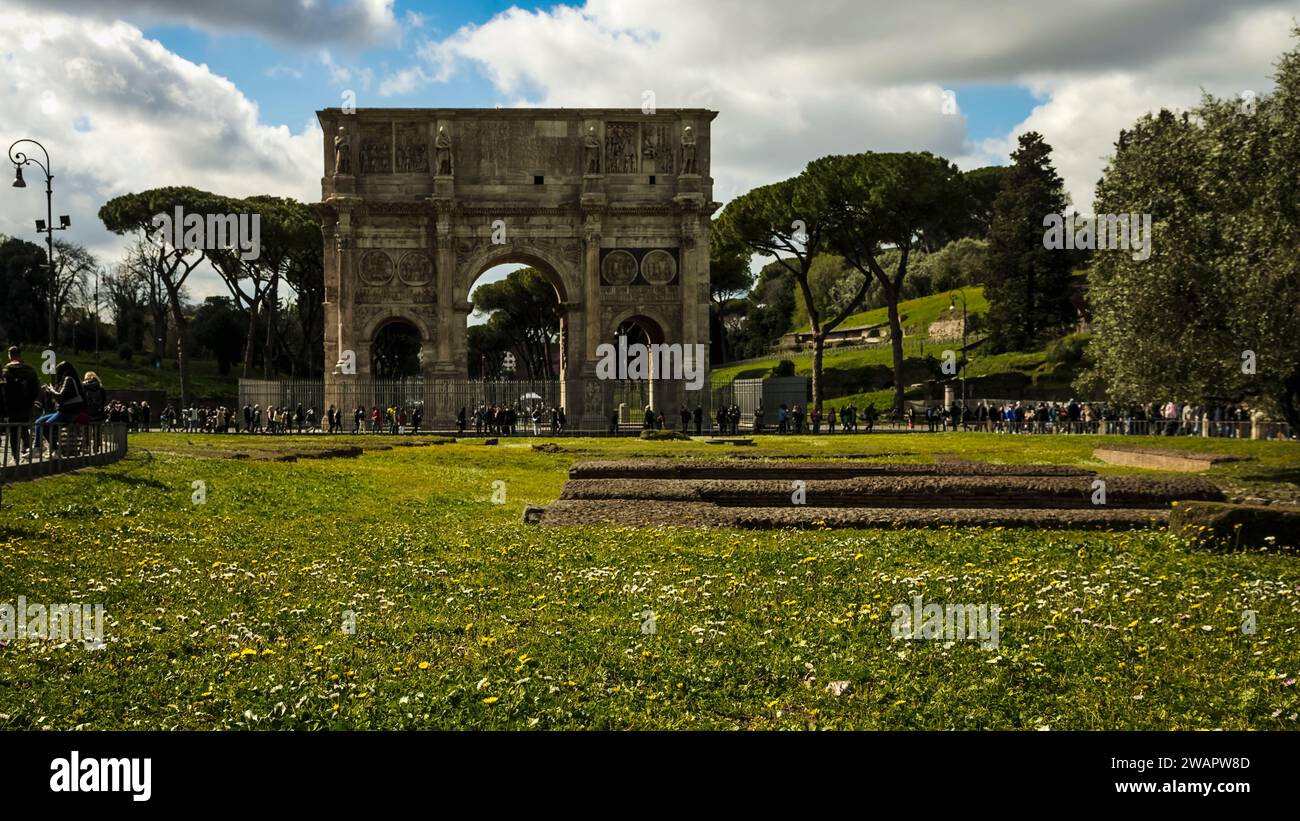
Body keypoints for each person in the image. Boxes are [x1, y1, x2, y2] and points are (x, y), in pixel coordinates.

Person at [33, 361, 86, 456]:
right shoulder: (74, 380)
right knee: (39, 421)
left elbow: (61, 396)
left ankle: (55, 449)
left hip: (68, 412)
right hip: (66, 411)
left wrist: (52, 390)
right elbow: (65, 395)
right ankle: (38, 447)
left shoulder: (68, 379)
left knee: (46, 426)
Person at [1, 346, 40, 461]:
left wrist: (4, 409)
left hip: (11, 407)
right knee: (24, 428)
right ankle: (27, 450)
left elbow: (3, 391)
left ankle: (15, 456)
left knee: (13, 432)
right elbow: (36, 388)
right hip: (27, 406)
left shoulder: (6, 371)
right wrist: (31, 402)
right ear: (20, 355)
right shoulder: (30, 370)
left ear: (10, 355)